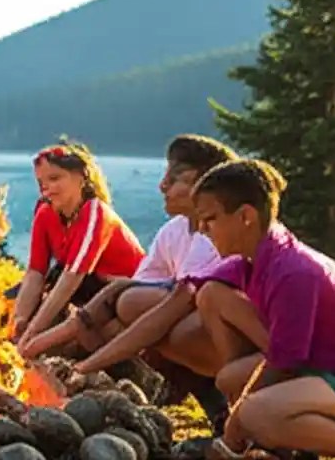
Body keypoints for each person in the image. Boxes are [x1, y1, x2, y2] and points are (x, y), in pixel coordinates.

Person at [186, 159, 335, 460]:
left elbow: (283, 363)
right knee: (229, 376)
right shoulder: (255, 261)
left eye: (209, 219)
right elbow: (190, 292)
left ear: (246, 216)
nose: (201, 229)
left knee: (255, 411)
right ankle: (277, 443)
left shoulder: (292, 272)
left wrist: (233, 431)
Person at [18, 135, 236, 429]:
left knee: (132, 308)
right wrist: (24, 329)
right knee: (116, 308)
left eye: (174, 179)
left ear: (206, 185)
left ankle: (217, 404)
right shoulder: (174, 232)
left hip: (234, 342)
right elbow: (38, 273)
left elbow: (151, 303)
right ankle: (176, 396)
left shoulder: (215, 239)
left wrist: (49, 345)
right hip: (140, 308)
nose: (162, 186)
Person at [12, 140, 146, 349]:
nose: (46, 188)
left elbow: (72, 278)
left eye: (55, 178)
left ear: (82, 177)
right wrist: (19, 321)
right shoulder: (45, 211)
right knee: (13, 296)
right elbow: (36, 272)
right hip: (87, 287)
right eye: (41, 183)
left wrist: (33, 332)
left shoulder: (95, 212)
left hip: (122, 291)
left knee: (59, 303)